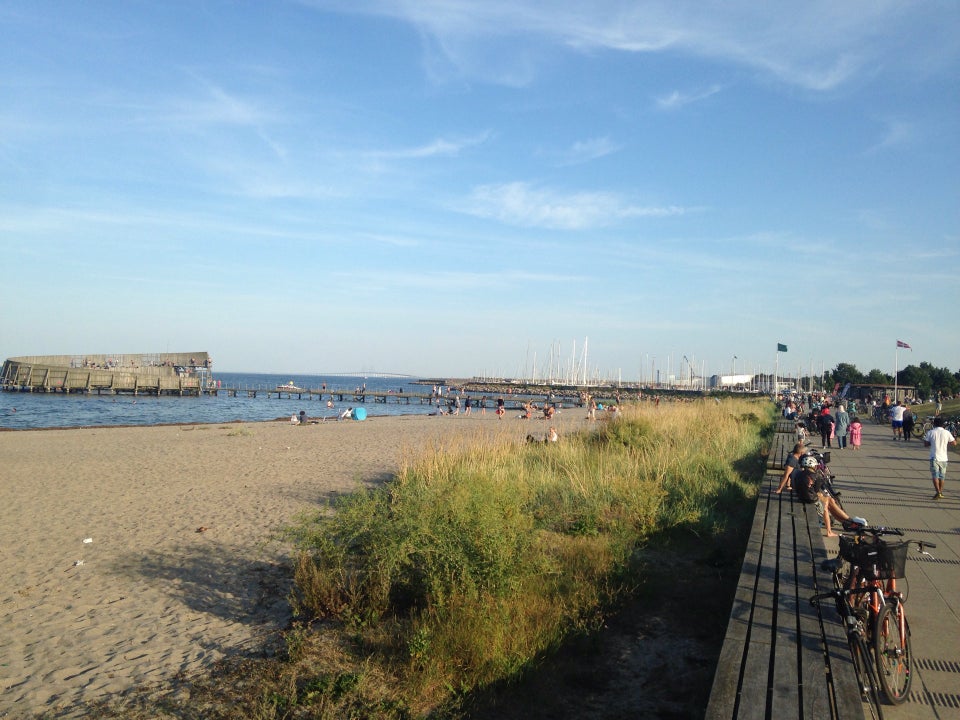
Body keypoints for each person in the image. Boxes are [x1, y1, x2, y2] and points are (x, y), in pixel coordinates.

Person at [793, 454, 853, 537]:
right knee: (826, 504)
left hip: (801, 497)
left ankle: (846, 521)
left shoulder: (799, 474)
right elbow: (817, 491)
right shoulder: (816, 476)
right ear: (812, 466)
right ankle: (833, 529)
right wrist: (821, 496)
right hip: (810, 499)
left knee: (829, 500)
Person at [924, 416, 957, 499]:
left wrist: (932, 442)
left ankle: (938, 492)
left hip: (934, 457)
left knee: (935, 475)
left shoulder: (931, 432)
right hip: (944, 458)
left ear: (934, 423)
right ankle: (941, 492)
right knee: (942, 476)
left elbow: (926, 444)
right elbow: (954, 443)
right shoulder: (947, 432)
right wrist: (946, 442)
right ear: (943, 424)